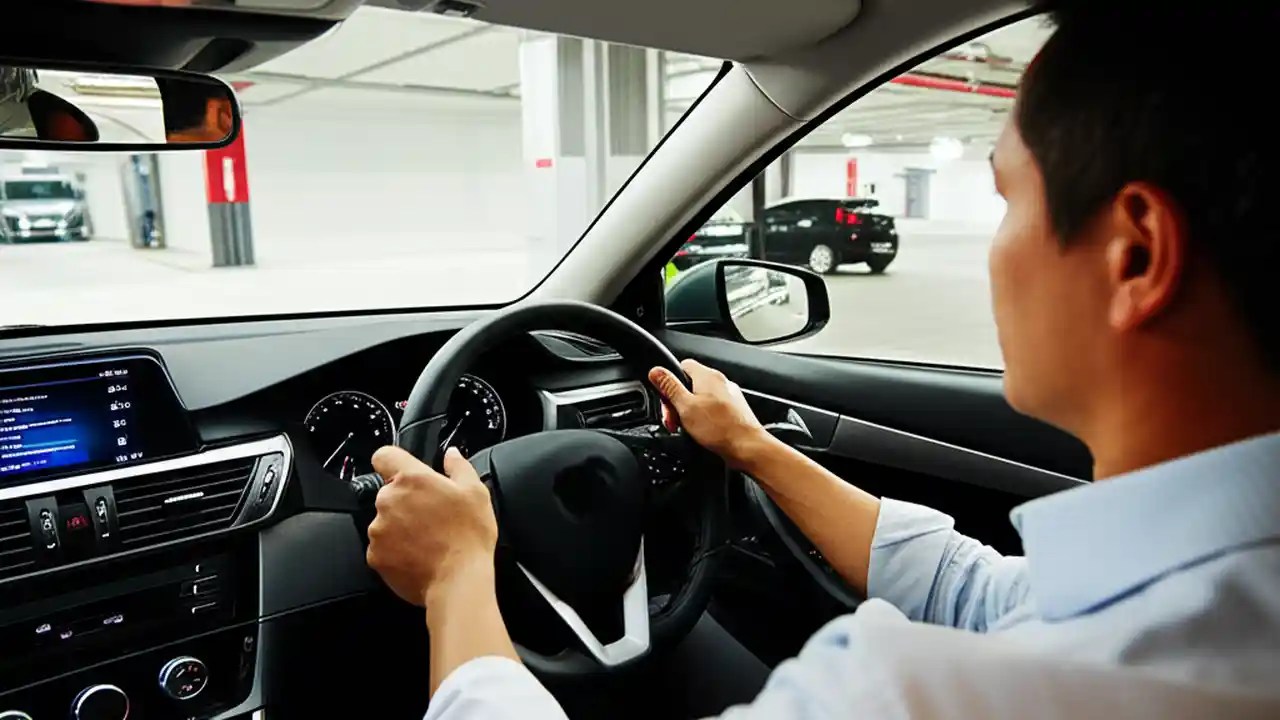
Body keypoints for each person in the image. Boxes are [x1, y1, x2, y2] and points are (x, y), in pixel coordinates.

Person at [365, 2, 1280, 718]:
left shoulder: (912, 696)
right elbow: (976, 589)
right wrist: (753, 447)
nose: (994, 254)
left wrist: (455, 577)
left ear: (1135, 256)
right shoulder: (1218, 603)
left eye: (1009, 201)